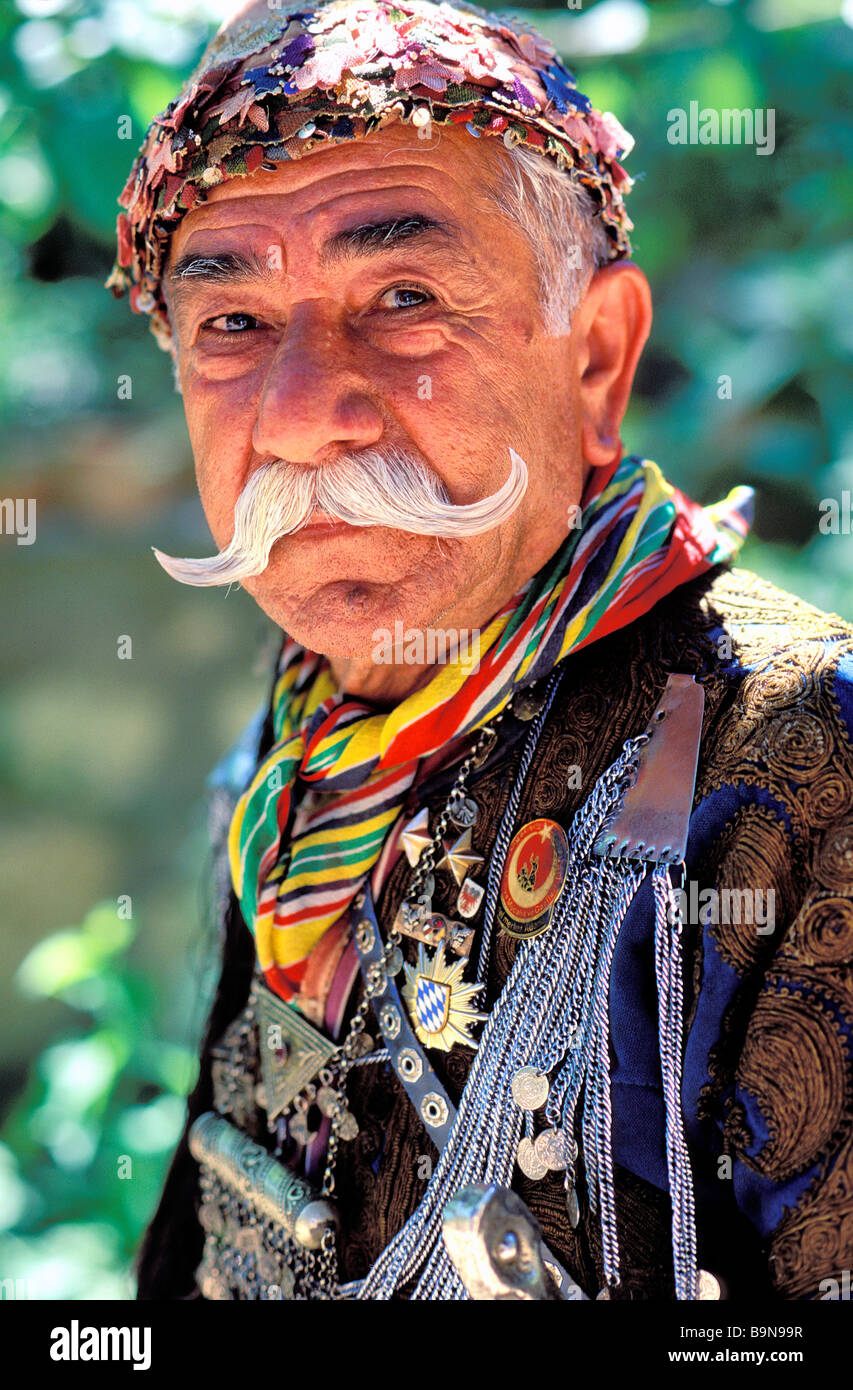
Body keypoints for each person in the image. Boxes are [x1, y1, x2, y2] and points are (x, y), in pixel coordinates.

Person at [106, 0, 853, 1301]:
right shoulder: (312, 743)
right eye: (230, 324)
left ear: (596, 361)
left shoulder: (802, 757)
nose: (295, 419)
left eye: (403, 297)